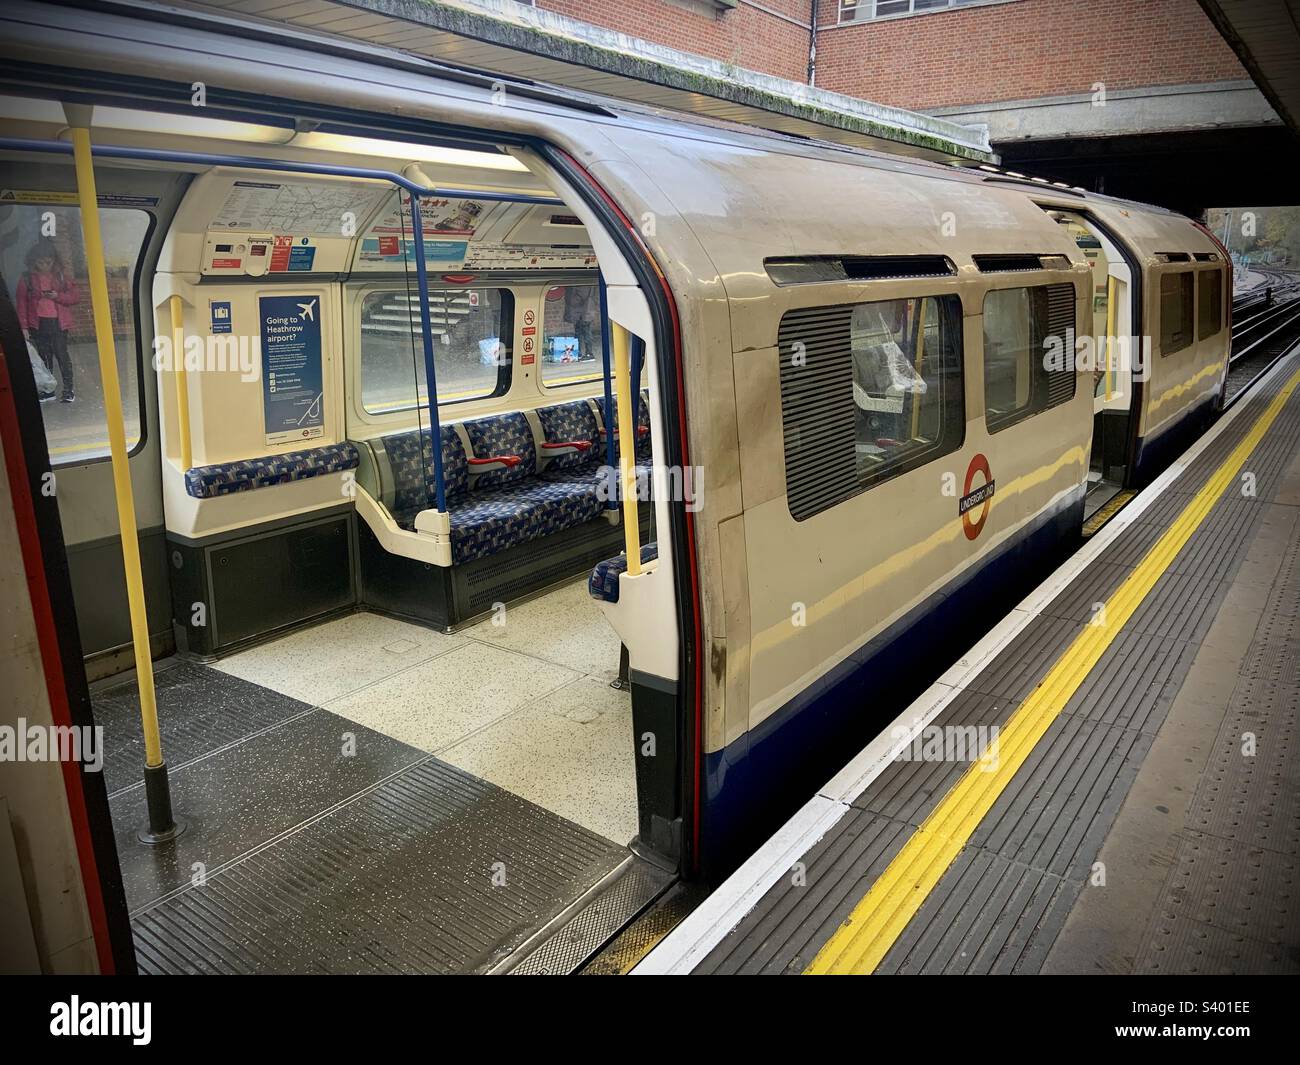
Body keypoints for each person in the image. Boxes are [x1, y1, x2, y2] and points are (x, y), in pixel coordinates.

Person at [16, 239, 79, 402]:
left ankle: (68, 389)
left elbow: (75, 297)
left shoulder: (61, 277)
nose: (45, 265)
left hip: (58, 323)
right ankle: (48, 389)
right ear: (33, 261)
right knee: (44, 357)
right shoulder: (27, 278)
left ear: (54, 261)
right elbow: (21, 302)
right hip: (38, 323)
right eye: (40, 262)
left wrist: (57, 296)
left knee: (62, 356)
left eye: (48, 262)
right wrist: (23, 327)